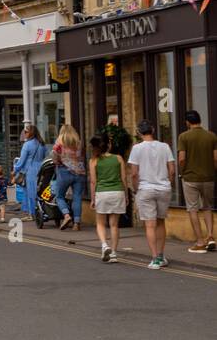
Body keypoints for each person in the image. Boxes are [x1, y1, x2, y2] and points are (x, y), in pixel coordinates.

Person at [128, 119, 176, 270]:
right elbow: (172, 170)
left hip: (145, 188)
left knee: (150, 225)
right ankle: (161, 256)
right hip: (163, 188)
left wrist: (136, 189)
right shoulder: (165, 146)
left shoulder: (137, 149)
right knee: (160, 222)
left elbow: (134, 174)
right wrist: (169, 184)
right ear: (153, 130)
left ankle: (154, 259)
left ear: (139, 133)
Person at [177, 109, 217, 254]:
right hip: (208, 178)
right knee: (207, 207)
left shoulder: (184, 136)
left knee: (193, 209)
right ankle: (211, 237)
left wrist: (183, 172)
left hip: (190, 178)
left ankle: (200, 242)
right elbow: (216, 158)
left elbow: (182, 158)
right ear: (199, 120)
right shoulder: (211, 136)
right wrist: (212, 172)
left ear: (187, 122)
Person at [88, 134, 126, 264]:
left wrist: (92, 198)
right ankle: (114, 253)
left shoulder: (94, 161)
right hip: (117, 192)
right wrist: (126, 195)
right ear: (108, 145)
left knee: (100, 223)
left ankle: (104, 245)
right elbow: (123, 179)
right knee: (114, 225)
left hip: (102, 193)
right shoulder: (119, 158)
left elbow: (93, 182)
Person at [52, 123, 88, 231]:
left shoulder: (59, 143)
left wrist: (58, 162)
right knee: (77, 197)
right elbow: (82, 156)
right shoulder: (78, 143)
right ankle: (76, 223)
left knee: (59, 196)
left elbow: (54, 156)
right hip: (79, 172)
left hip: (64, 171)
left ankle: (66, 216)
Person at [14, 123, 47, 222]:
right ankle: (41, 212)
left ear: (30, 133)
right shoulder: (42, 144)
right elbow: (45, 156)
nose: (24, 134)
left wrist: (15, 169)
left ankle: (31, 214)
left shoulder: (27, 144)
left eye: (26, 132)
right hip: (41, 169)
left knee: (30, 193)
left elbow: (21, 161)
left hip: (30, 170)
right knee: (40, 192)